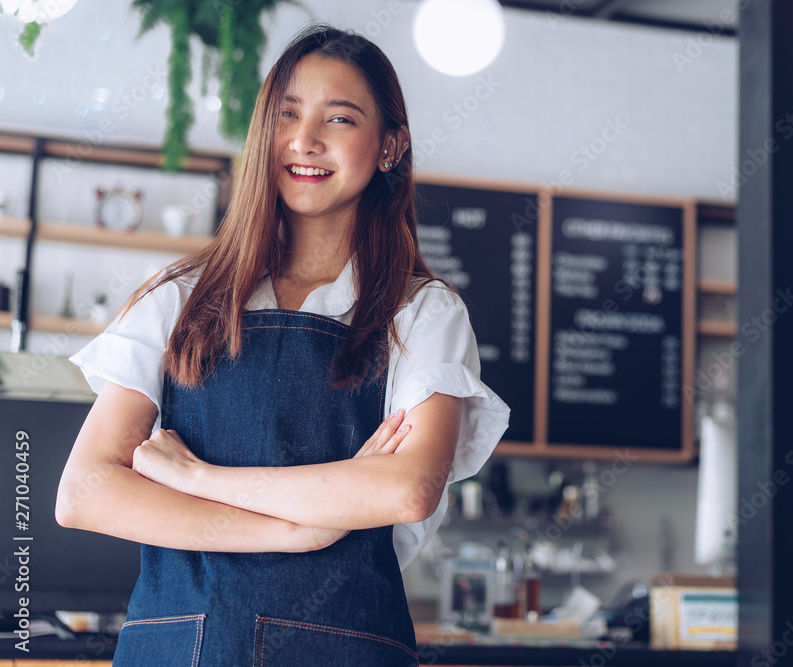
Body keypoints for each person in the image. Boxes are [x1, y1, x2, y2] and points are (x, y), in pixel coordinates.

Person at [55, 23, 510, 667]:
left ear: (390, 146)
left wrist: (199, 478)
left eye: (341, 119)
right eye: (287, 114)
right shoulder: (178, 298)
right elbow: (84, 492)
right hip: (180, 649)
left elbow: (406, 489)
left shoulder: (422, 312)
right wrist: (302, 528)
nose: (305, 140)